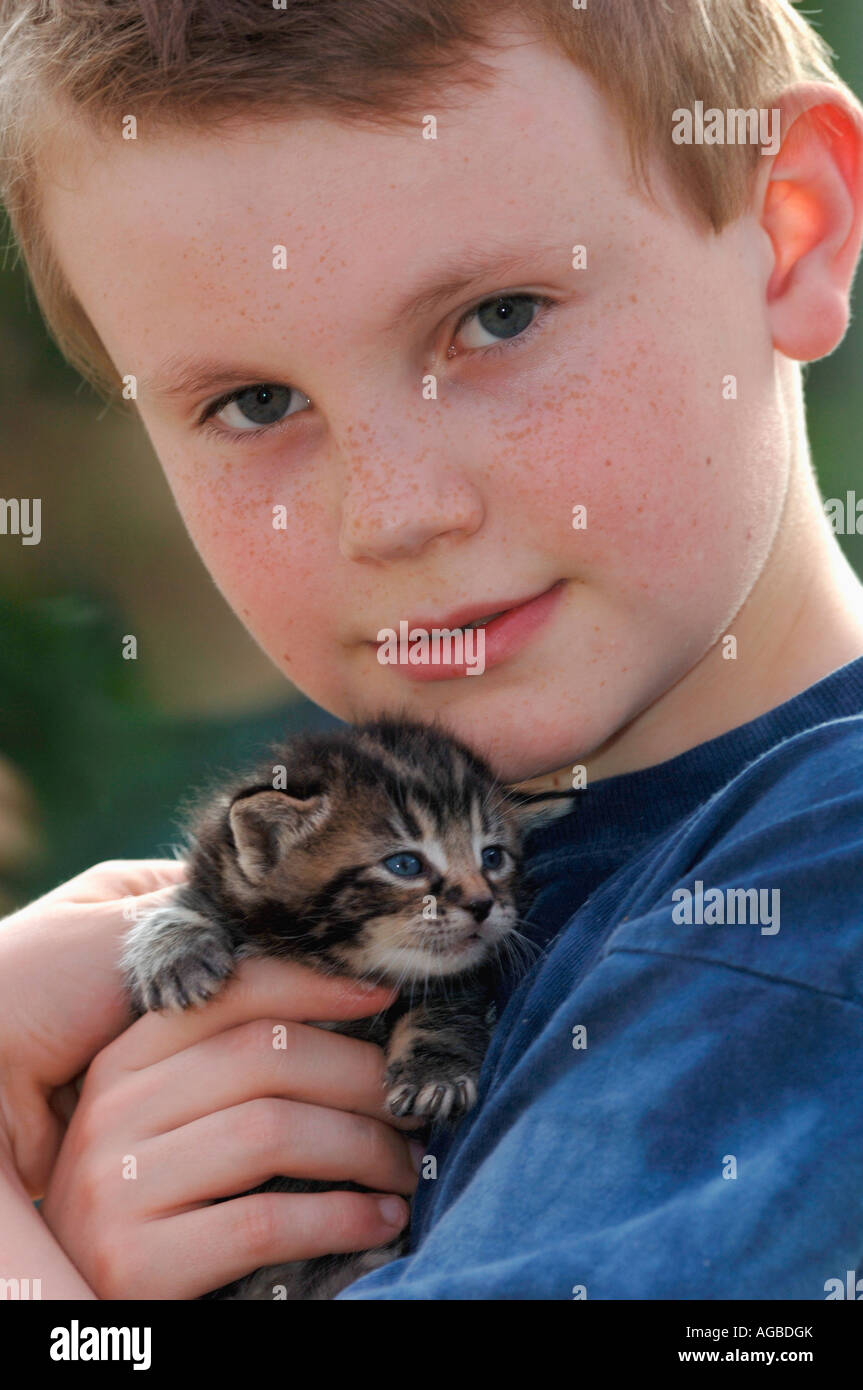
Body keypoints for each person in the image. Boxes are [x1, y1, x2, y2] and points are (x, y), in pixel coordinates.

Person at [1, 0, 862, 1298]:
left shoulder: (815, 903)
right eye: (254, 402)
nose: (398, 512)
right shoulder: (255, 932)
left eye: (500, 317)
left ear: (791, 226)